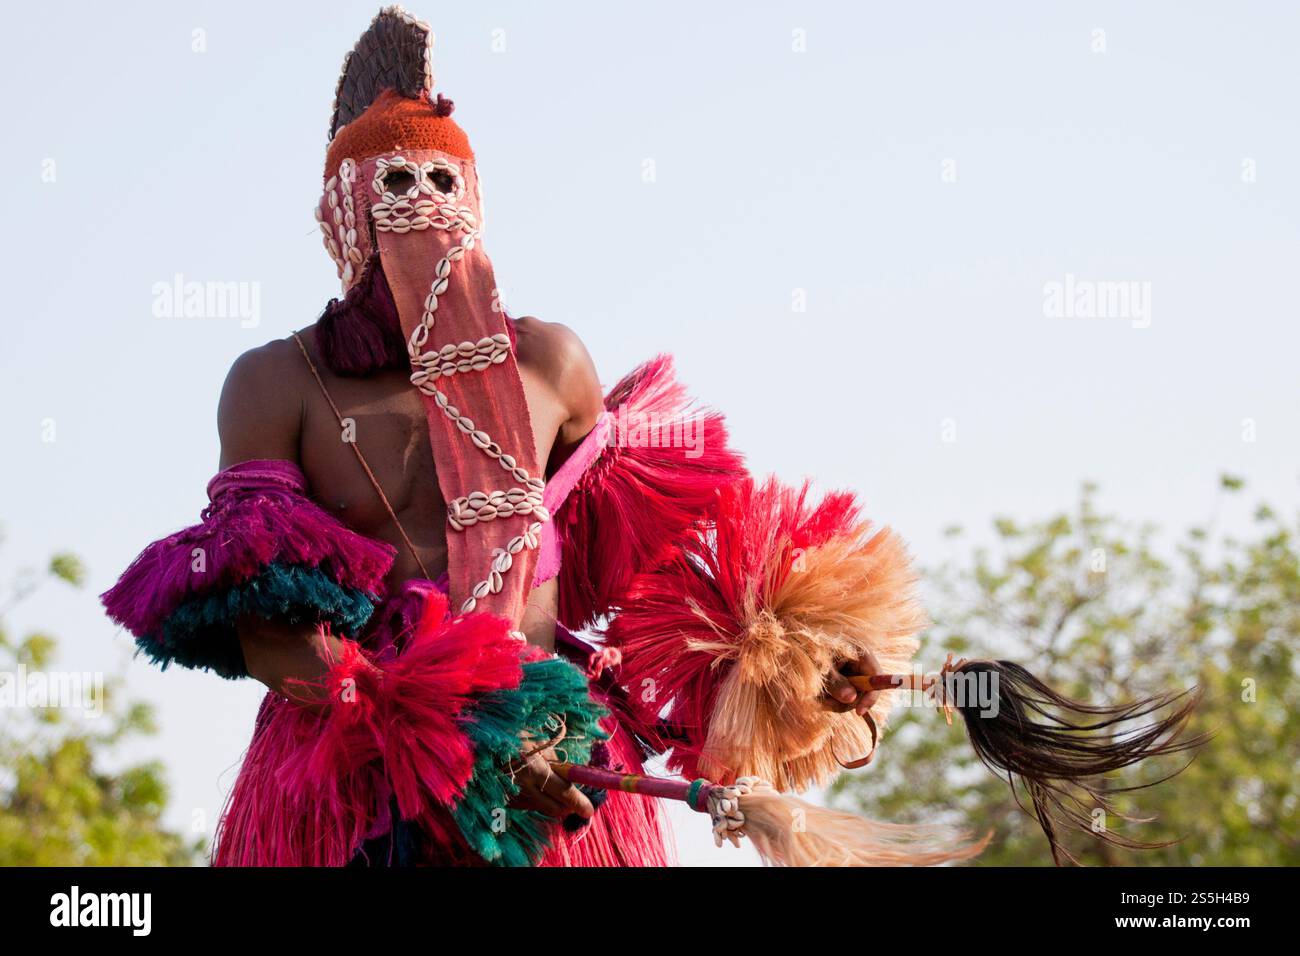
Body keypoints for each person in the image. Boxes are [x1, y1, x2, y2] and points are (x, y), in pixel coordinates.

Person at [101, 6, 896, 868]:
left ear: (477, 202)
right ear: (344, 216)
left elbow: (649, 579)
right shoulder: (277, 383)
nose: (424, 209)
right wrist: (440, 731)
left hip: (555, 770)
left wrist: (786, 650)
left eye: (445, 184)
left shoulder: (551, 363)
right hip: (362, 790)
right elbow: (264, 634)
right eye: (396, 187)